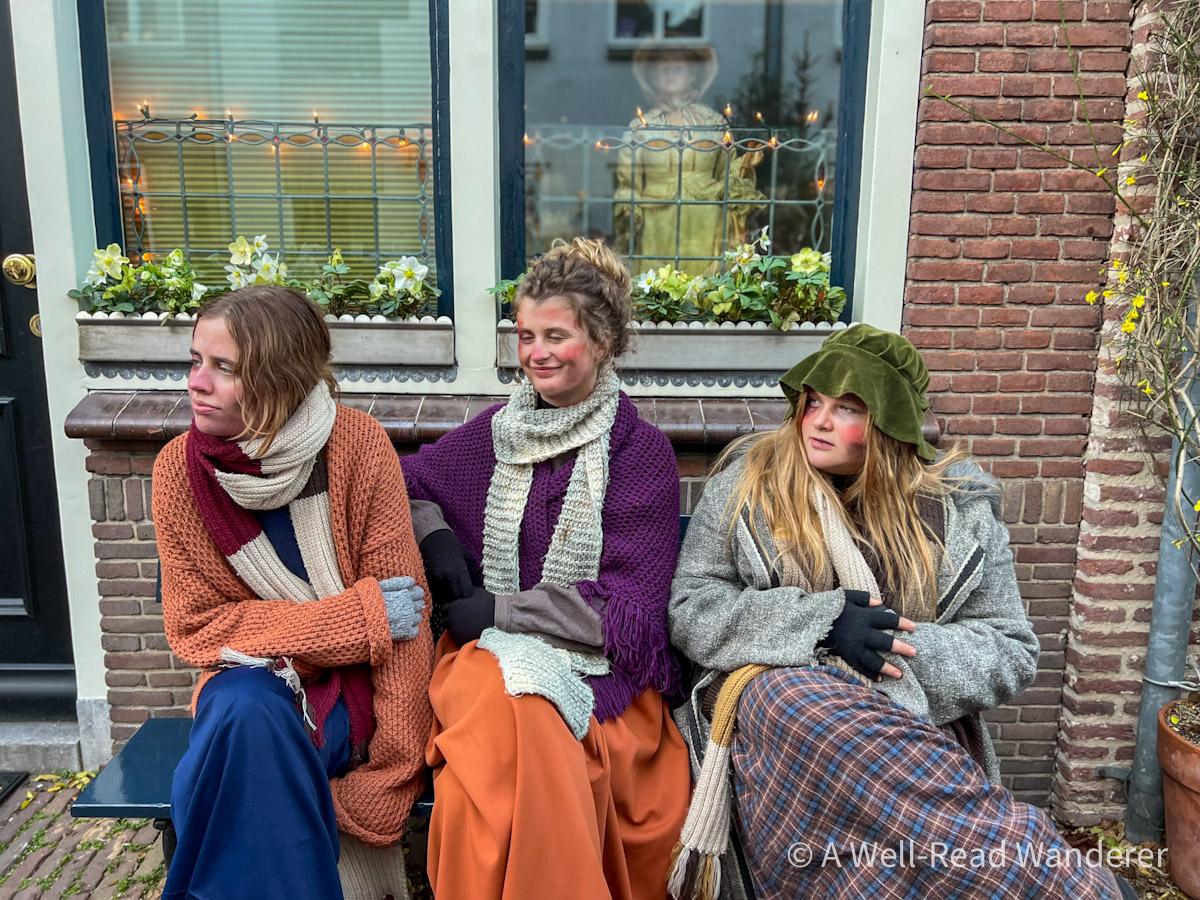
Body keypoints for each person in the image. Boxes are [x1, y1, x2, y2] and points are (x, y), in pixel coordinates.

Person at [667, 324, 1133, 899]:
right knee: (796, 699)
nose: (817, 420)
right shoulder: (751, 483)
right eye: (813, 402)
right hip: (770, 717)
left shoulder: (956, 508)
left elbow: (1011, 647)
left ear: (887, 424)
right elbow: (693, 607)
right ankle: (1060, 882)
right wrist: (822, 626)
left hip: (908, 733)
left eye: (845, 409)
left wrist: (896, 649)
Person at [400, 237, 690, 899]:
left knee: (524, 734)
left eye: (555, 335)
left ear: (604, 339)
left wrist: (500, 611)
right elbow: (397, 478)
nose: (536, 353)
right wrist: (437, 536)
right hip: (481, 659)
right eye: (526, 334)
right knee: (510, 708)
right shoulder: (496, 434)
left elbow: (629, 611)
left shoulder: (639, 454)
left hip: (601, 683)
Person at [152, 285, 434, 900]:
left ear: (280, 377)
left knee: (243, 738)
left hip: (343, 702)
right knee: (246, 710)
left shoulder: (357, 447)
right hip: (248, 689)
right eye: (195, 360)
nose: (197, 382)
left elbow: (408, 627)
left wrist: (391, 770)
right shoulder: (179, 471)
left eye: (224, 368)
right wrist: (357, 619)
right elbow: (198, 628)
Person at [614, 43, 763, 276]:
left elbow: (728, 176)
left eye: (678, 67)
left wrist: (744, 169)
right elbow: (627, 184)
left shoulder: (714, 124)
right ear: (653, 76)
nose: (670, 72)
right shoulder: (639, 128)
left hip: (705, 221)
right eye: (663, 67)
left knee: (701, 291)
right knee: (655, 288)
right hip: (656, 223)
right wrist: (629, 213)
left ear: (693, 74)